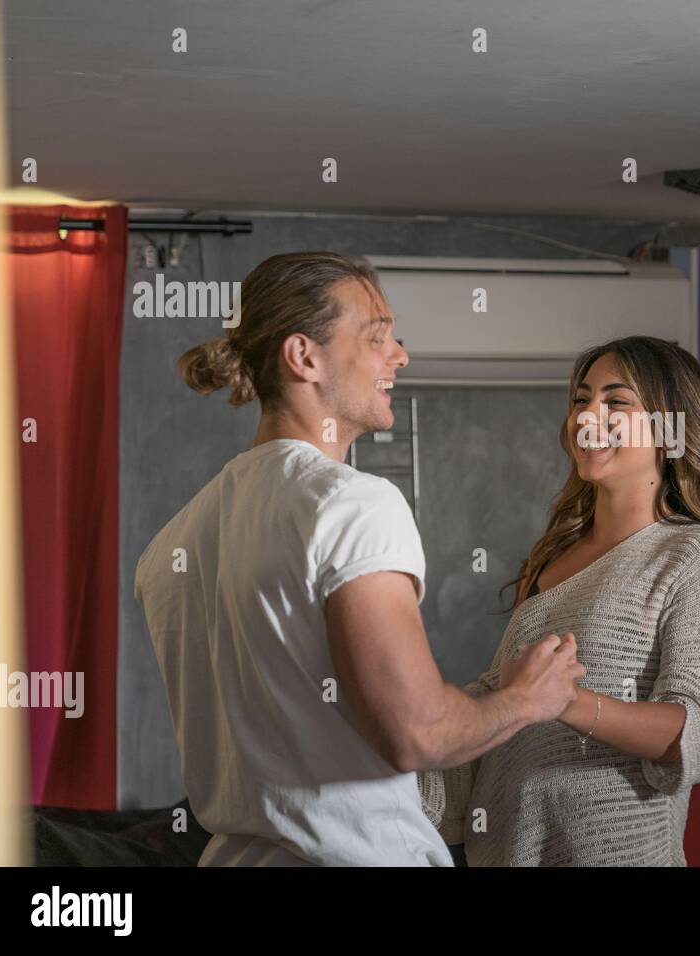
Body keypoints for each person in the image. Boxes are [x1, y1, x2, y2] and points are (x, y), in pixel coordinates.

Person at [134, 252, 584, 866]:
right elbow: (416, 732)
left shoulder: (172, 543)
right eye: (377, 337)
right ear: (304, 357)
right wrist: (526, 699)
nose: (399, 355)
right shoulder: (352, 503)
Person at [420, 335, 700, 866]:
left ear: (671, 428)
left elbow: (699, 729)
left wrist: (570, 704)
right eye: (581, 399)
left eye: (615, 401)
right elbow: (506, 703)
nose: (585, 416)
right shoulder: (551, 558)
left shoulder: (698, 559)